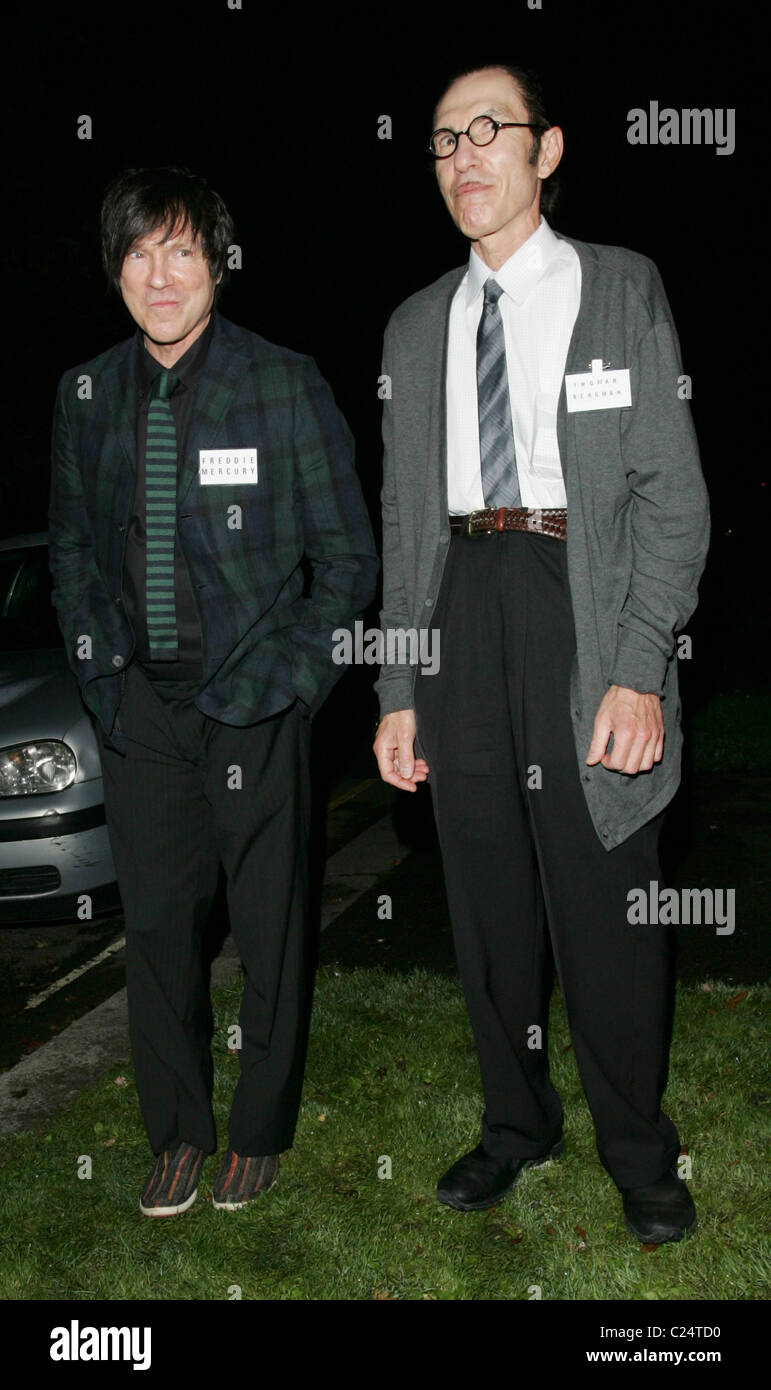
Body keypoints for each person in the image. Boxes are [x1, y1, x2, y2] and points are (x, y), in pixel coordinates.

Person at [373, 64, 710, 1244]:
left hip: (583, 598)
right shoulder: (417, 326)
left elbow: (674, 498)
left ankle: (639, 1150)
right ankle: (516, 1125)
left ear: (547, 149)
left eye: (488, 132)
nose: (463, 156)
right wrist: (400, 685)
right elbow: (405, 522)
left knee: (607, 889)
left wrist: (639, 663)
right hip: (460, 601)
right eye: (441, 140)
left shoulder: (620, 288)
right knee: (486, 899)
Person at [49, 166, 378, 1217]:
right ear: (117, 269)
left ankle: (257, 1131)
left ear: (218, 265)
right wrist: (102, 673)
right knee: (155, 931)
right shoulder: (86, 393)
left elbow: (347, 565)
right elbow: (69, 550)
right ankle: (179, 1132)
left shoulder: (282, 382)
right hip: (141, 709)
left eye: (182, 250)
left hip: (254, 701)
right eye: (140, 252)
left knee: (271, 923)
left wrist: (287, 688)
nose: (160, 274)